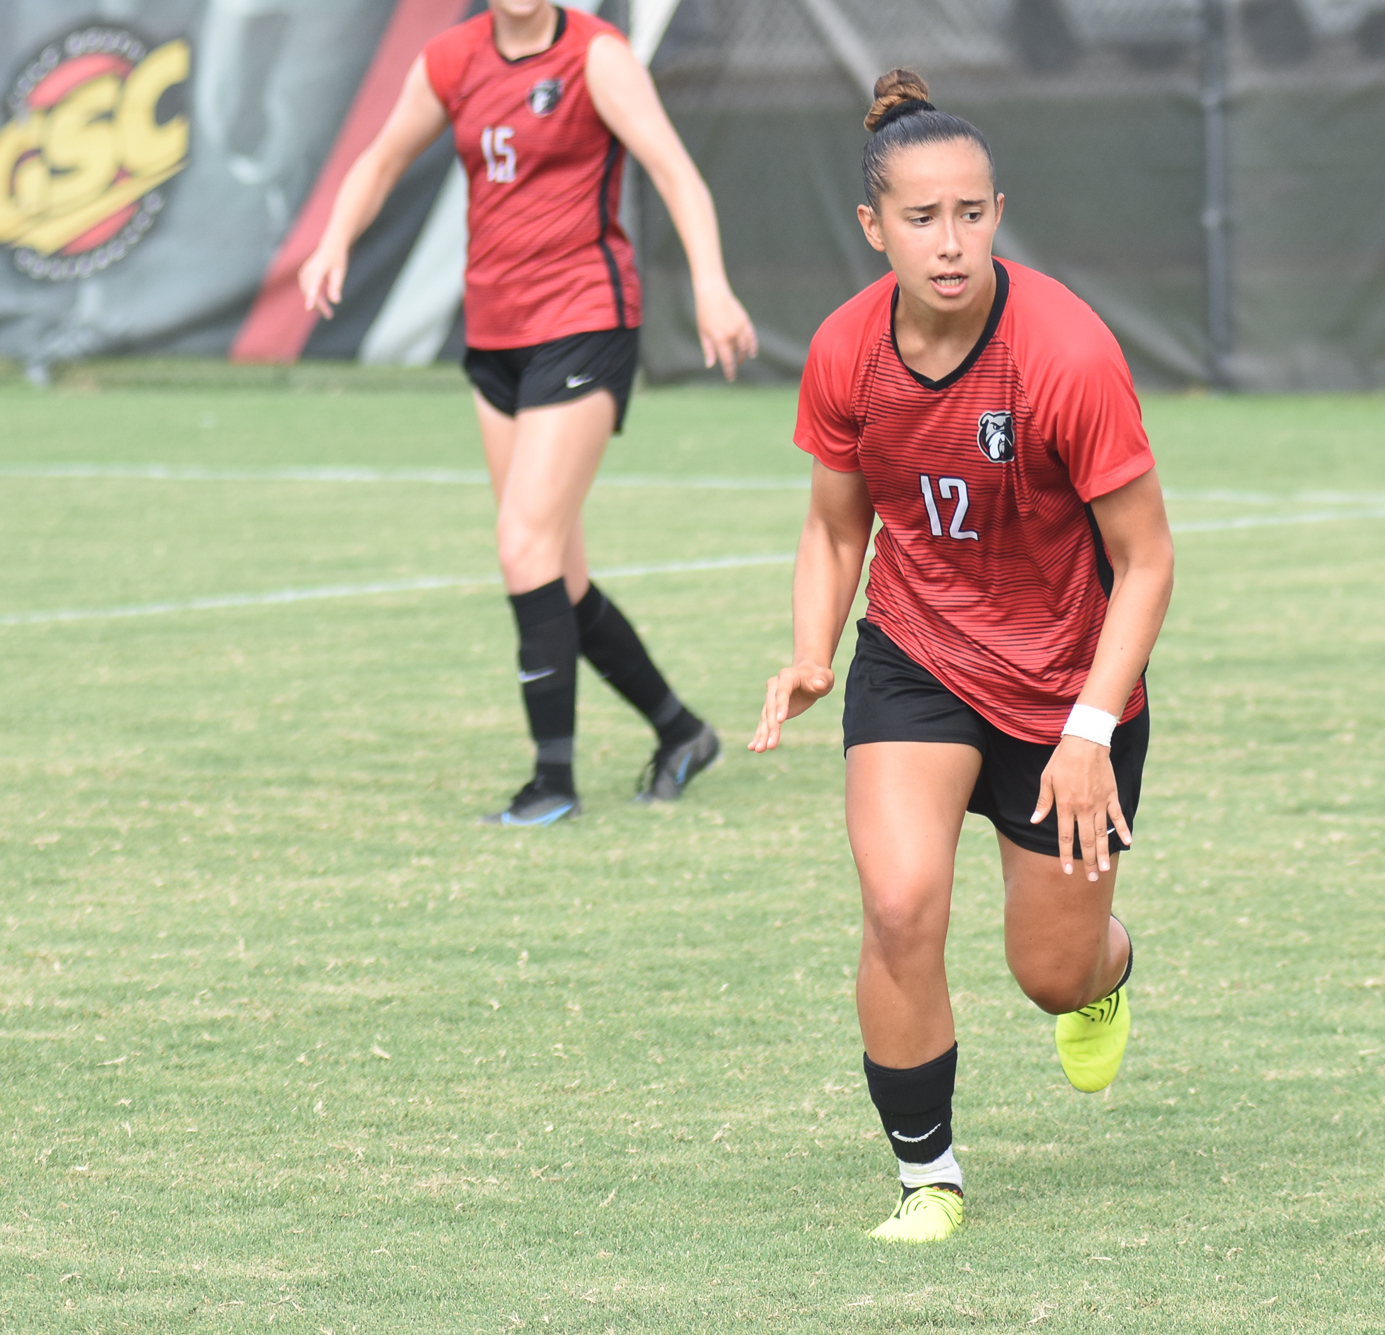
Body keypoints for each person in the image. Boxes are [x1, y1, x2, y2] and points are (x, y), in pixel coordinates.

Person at [748, 70, 1174, 1244]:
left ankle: (1107, 968)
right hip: (916, 655)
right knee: (896, 906)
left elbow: (1144, 563)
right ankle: (925, 1174)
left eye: (973, 214)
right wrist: (810, 646)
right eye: (923, 219)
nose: (952, 243)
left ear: (998, 213)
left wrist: (1090, 728)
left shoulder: (1067, 352)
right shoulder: (844, 351)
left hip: (1064, 686)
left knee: (1051, 971)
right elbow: (839, 525)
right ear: (872, 227)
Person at [298, 0, 757, 825]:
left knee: (521, 544)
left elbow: (675, 173)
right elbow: (378, 160)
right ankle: (681, 731)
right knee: (554, 574)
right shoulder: (450, 60)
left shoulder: (597, 56)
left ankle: (552, 784)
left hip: (584, 321)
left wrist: (712, 284)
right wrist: (333, 240)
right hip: (496, 337)